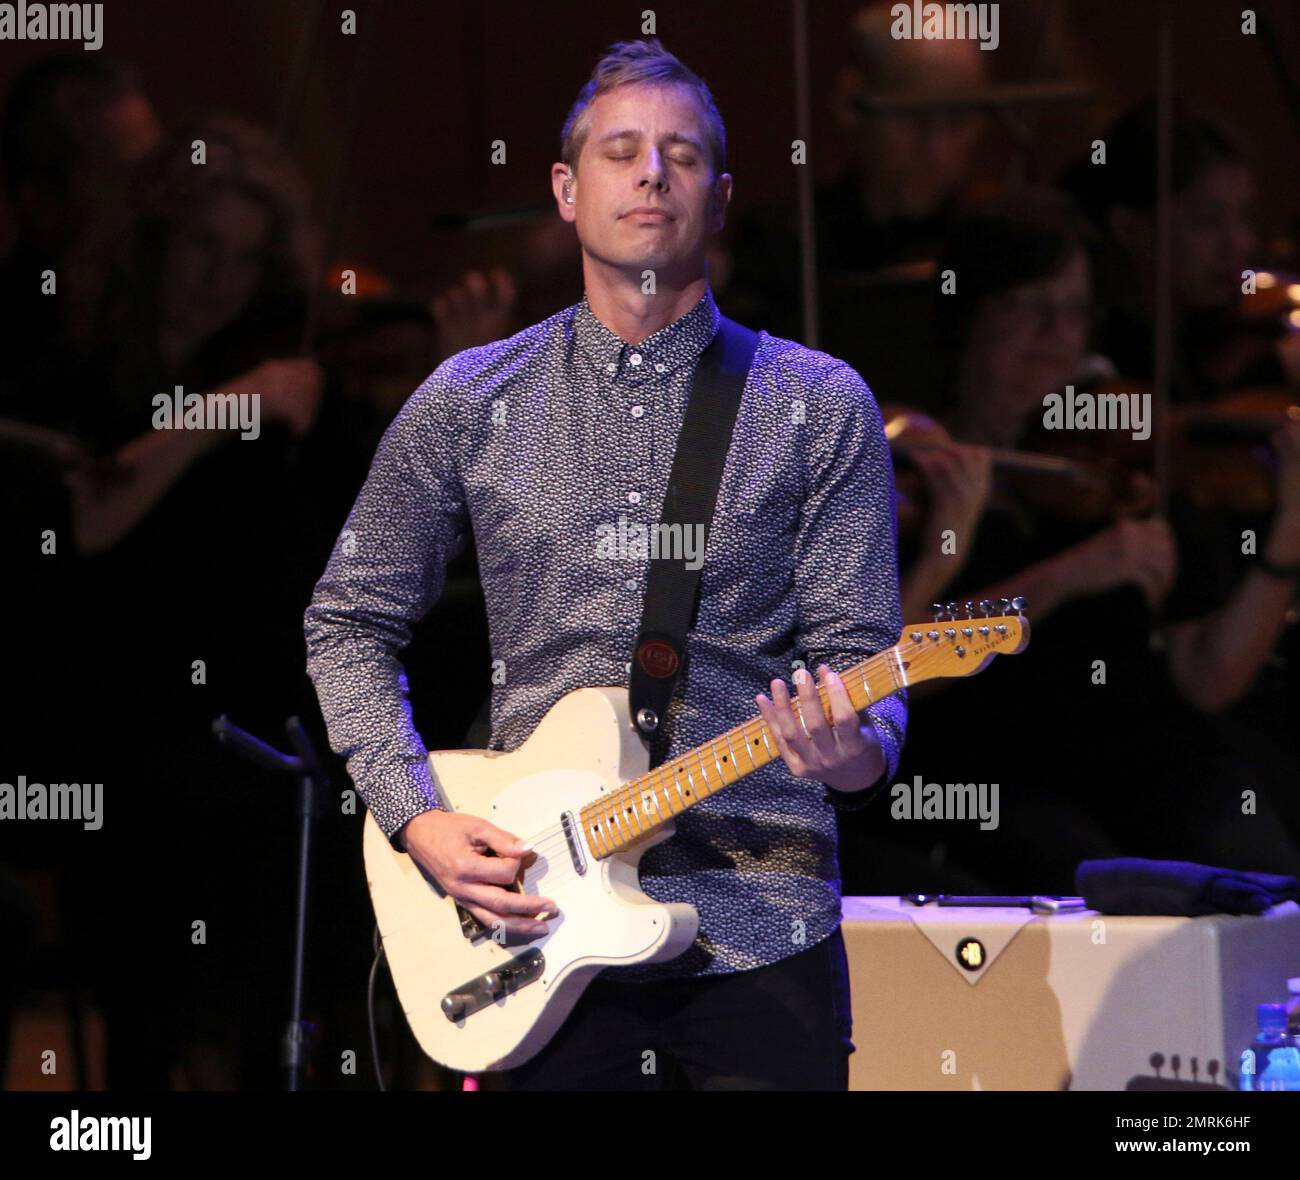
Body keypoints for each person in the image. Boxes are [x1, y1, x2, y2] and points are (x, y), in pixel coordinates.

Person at [304, 37, 906, 1091]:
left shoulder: (818, 403)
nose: (650, 173)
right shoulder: (469, 399)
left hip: (763, 924)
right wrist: (415, 815)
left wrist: (850, 755)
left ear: (718, 198)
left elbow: (864, 667)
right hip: (536, 925)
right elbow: (347, 618)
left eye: (680, 155)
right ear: (564, 187)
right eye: (621, 150)